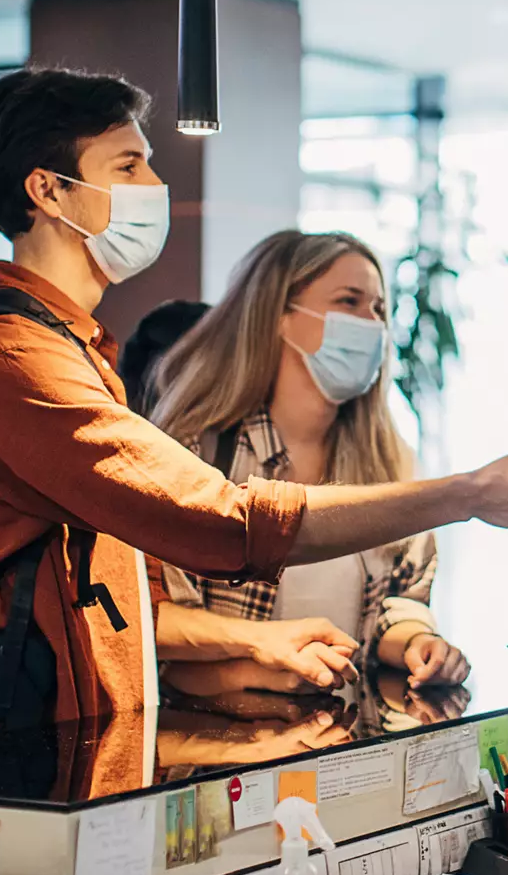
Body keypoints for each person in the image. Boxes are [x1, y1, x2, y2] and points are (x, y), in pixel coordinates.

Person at [0, 66, 508, 733]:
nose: (155, 186)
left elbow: (122, 600)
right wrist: (469, 493)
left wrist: (257, 644)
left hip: (57, 739)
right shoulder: (13, 361)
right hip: (2, 745)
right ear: (48, 190)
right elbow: (221, 522)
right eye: (130, 165)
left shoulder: (68, 349)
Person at [146, 229, 468, 691]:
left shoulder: (388, 461)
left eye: (378, 308)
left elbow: (394, 602)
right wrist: (261, 657)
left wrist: (416, 642)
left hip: (346, 743)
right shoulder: (198, 457)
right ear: (280, 316)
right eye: (349, 301)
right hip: (229, 749)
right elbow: (156, 620)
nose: (371, 323)